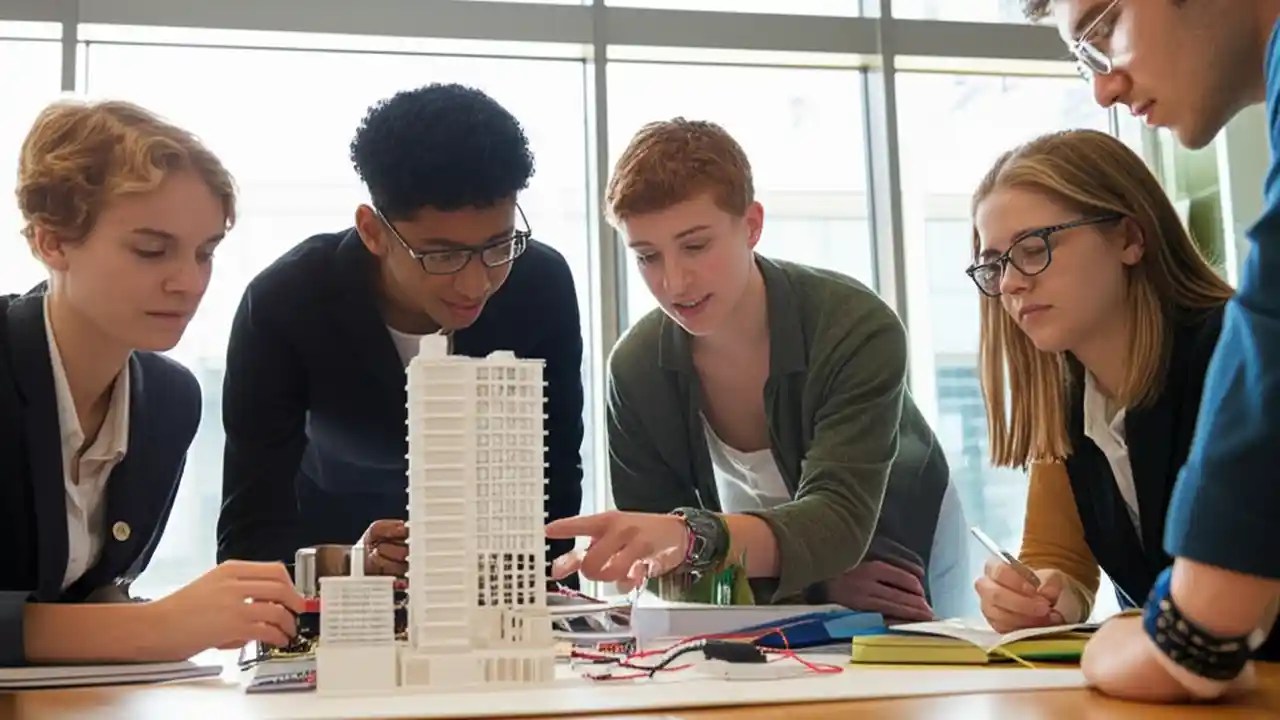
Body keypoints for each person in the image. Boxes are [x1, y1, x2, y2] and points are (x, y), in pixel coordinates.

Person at [546, 118, 972, 622]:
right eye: (646, 256)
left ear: (751, 225)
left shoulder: (855, 324)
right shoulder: (635, 368)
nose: (674, 282)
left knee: (920, 683)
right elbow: (664, 569)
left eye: (695, 246)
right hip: (773, 567)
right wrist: (808, 586)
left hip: (894, 543)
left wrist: (692, 541)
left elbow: (840, 520)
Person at [215, 83, 585, 582]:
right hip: (327, 576)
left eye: (498, 245)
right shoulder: (286, 304)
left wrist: (546, 604)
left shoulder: (538, 284)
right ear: (372, 231)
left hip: (492, 576)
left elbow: (553, 479)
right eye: (443, 256)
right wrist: (340, 571)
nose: (476, 283)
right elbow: (251, 526)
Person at [1023, 0, 1280, 702]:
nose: (1103, 87)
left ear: (1132, 238)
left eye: (1102, 31)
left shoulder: (1223, 349)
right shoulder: (1070, 401)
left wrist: (1181, 641)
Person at [0, 99, 303, 666]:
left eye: (205, 252)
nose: (189, 282)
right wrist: (154, 625)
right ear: (51, 242)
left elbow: (84, 595)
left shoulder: (169, 400)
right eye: (151, 250)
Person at [968, 127, 1242, 632]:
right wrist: (1042, 597)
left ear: (1130, 238)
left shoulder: (1237, 356)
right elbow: (1060, 561)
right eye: (994, 263)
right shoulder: (1071, 400)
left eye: (1033, 248)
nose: (1009, 282)